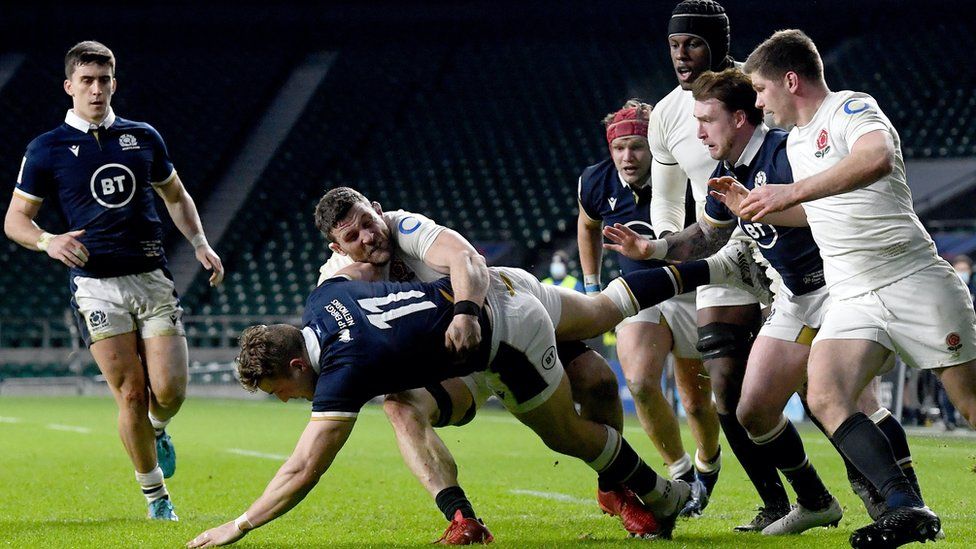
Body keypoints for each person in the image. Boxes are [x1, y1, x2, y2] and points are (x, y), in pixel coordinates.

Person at [739, 29, 976, 547]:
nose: (757, 102)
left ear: (790, 80)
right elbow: (821, 208)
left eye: (760, 89)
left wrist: (791, 190)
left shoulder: (849, 107)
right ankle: (903, 504)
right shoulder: (798, 142)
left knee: (971, 405)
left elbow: (877, 159)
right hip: (853, 295)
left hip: (911, 277)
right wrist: (760, 204)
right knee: (826, 394)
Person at [314, 188, 624, 543]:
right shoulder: (336, 282)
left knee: (599, 380)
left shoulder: (406, 227)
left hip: (497, 321)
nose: (368, 237)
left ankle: (614, 488)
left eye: (368, 222)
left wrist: (465, 314)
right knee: (400, 407)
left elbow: (464, 256)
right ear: (338, 249)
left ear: (378, 210)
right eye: (352, 236)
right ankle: (462, 518)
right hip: (452, 365)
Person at [3, 41, 224, 521]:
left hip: (151, 277)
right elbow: (16, 221)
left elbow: (176, 195)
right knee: (129, 392)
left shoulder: (143, 136)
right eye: (87, 80)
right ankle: (157, 498)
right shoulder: (46, 149)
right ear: (69, 86)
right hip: (96, 285)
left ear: (114, 83)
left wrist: (201, 242)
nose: (97, 89)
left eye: (104, 80)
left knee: (168, 392)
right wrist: (47, 241)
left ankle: (158, 428)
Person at [645, 0, 791, 530]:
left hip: (790, 248)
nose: (681, 57)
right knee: (724, 385)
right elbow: (667, 197)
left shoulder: (760, 92)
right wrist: (666, 245)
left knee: (827, 387)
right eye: (673, 46)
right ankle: (775, 501)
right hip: (724, 252)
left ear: (719, 46)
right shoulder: (665, 114)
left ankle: (882, 489)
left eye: (693, 44)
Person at [577, 100, 719, 516]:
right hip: (637, 294)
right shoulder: (596, 182)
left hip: (692, 290)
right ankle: (680, 475)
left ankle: (707, 464)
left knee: (696, 402)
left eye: (636, 146)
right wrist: (591, 283)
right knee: (639, 382)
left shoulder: (684, 172)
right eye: (619, 147)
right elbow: (587, 225)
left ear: (653, 144)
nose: (627, 157)